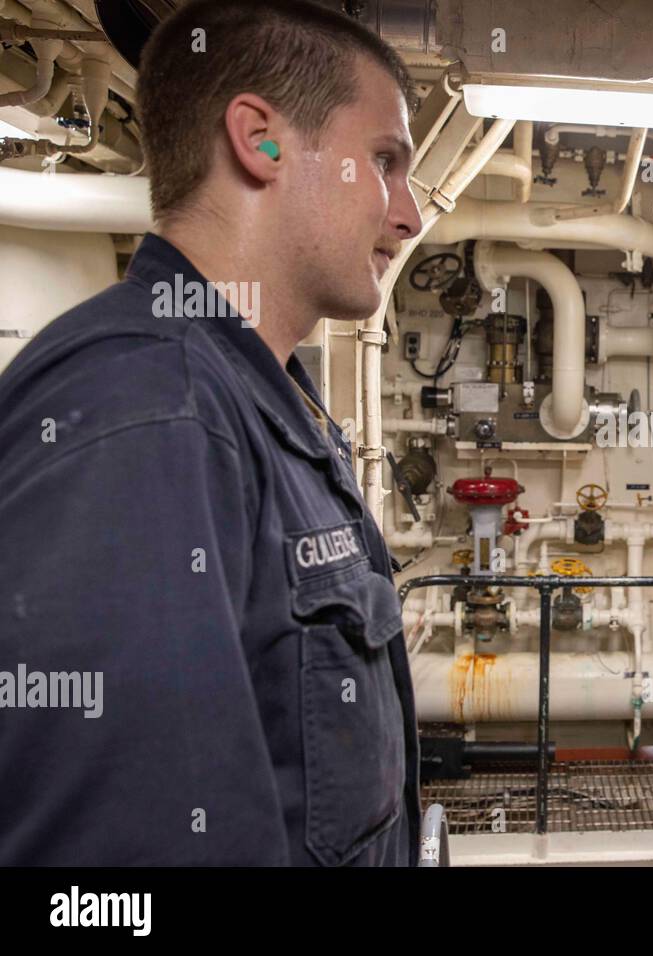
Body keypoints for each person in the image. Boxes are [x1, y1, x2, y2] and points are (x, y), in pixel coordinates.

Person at [0, 0, 422, 864]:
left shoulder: (257, 401)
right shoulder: (150, 406)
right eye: (384, 161)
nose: (409, 215)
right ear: (259, 140)